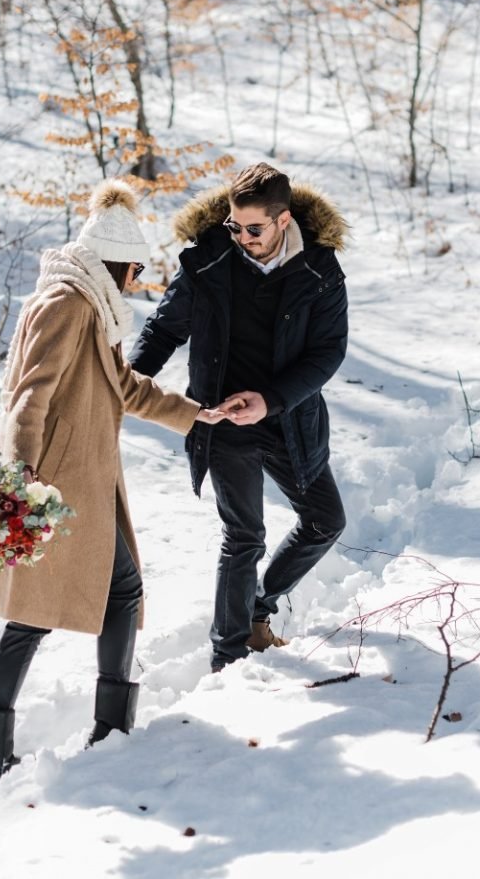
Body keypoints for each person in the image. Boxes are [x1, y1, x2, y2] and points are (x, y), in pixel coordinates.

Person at [0, 179, 226, 791]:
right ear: (115, 261)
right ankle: (39, 746)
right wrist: (17, 476)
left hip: (84, 482)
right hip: (54, 487)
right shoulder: (68, 302)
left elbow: (125, 388)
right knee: (47, 610)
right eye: (134, 267)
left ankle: (60, 740)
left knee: (81, 603)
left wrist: (195, 413)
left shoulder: (91, 303)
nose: (137, 278)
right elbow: (31, 395)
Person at [128, 162, 348, 672]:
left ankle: (256, 611)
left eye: (253, 229)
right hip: (220, 419)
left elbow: (327, 353)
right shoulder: (207, 262)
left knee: (324, 521)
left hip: (288, 418)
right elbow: (163, 331)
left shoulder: (319, 270)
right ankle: (228, 658)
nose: (242, 237)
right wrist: (127, 384)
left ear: (283, 221)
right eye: (234, 225)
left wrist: (269, 401)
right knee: (244, 536)